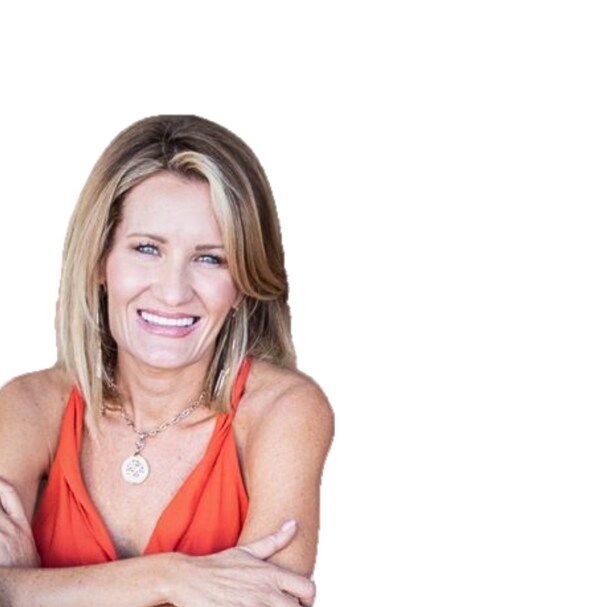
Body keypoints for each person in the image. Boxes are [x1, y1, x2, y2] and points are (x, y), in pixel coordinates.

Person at [0, 115, 333, 606]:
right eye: (147, 248)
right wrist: (169, 579)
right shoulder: (30, 405)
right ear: (99, 261)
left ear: (243, 283)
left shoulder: (284, 411)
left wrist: (25, 591)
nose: (173, 292)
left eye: (210, 258)